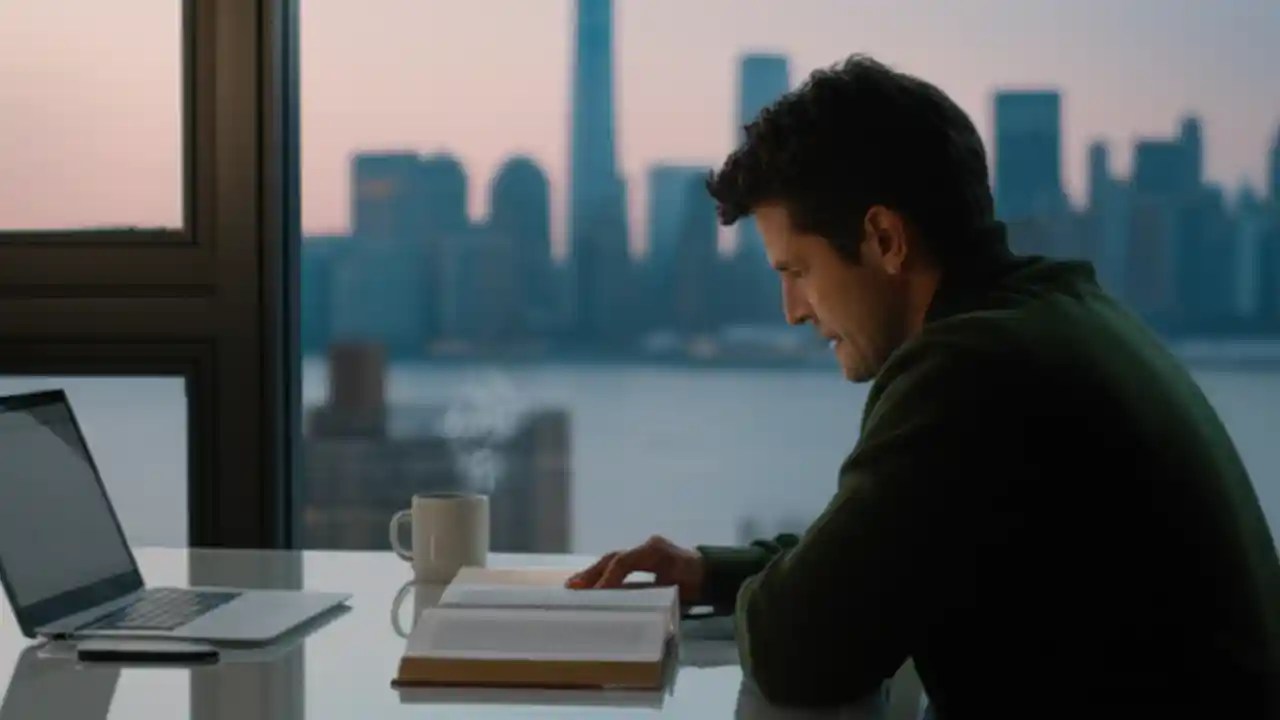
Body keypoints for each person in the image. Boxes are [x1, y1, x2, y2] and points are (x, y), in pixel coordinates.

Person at [566, 54, 1280, 717]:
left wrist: (767, 597)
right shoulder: (1061, 316)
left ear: (885, 239)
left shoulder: (970, 369)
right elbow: (888, 547)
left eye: (797, 271)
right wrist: (714, 574)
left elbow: (799, 648)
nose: (792, 311)